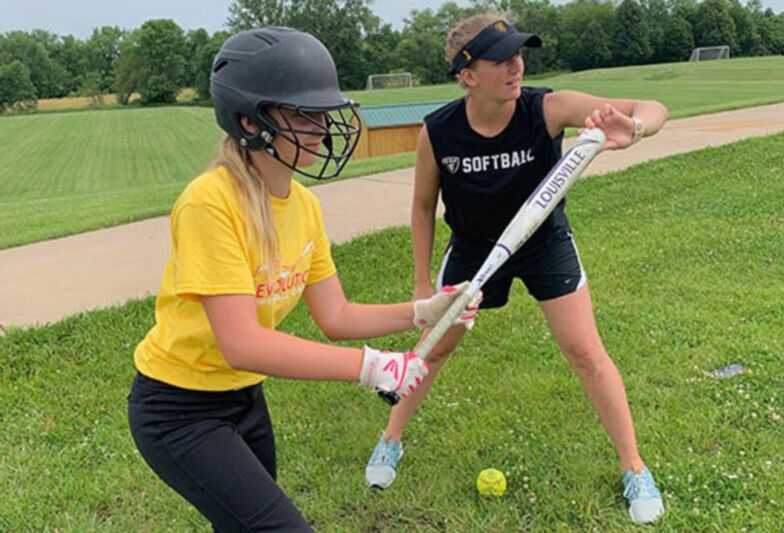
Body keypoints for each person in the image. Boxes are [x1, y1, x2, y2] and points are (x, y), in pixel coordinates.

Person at [127, 27, 480, 532]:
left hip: (243, 398)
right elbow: (242, 344)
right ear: (249, 121)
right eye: (301, 115)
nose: (320, 128)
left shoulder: (305, 206)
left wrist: (423, 312)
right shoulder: (210, 203)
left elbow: (336, 316)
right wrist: (373, 367)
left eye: (322, 113)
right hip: (178, 409)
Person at [364, 13, 669, 525]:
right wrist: (420, 283)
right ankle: (390, 439)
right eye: (500, 59)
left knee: (585, 352)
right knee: (435, 347)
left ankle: (634, 467)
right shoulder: (438, 131)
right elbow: (422, 206)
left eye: (518, 55)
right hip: (474, 250)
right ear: (468, 75)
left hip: (543, 243)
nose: (516, 66)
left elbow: (652, 108)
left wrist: (634, 127)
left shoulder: (546, 109)